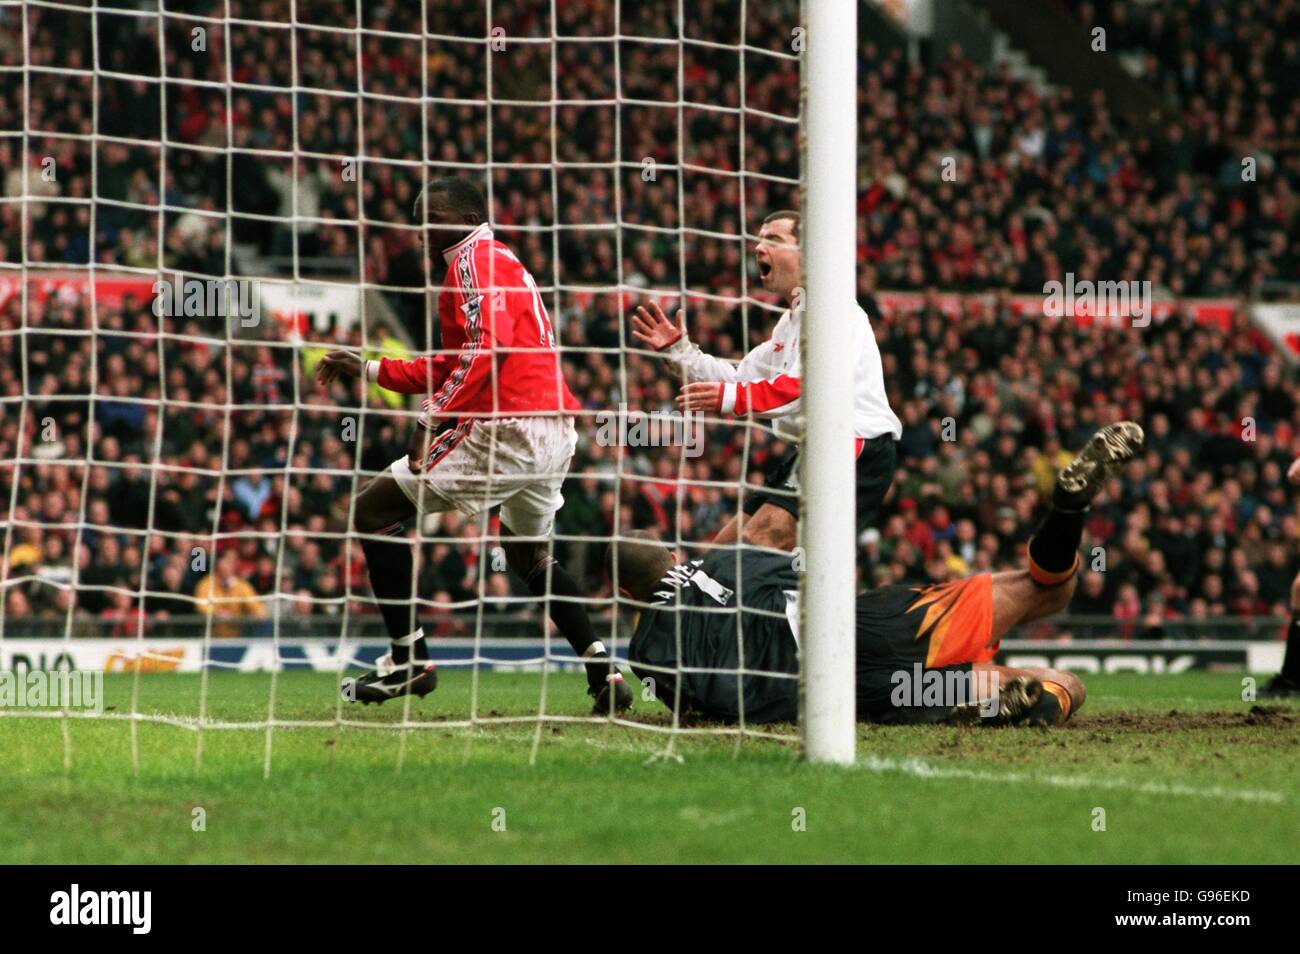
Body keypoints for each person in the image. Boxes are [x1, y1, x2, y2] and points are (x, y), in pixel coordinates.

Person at [315, 177, 630, 712]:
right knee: (527, 552)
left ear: (458, 217)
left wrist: (431, 419)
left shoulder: (470, 260)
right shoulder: (500, 258)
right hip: (554, 428)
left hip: (510, 427)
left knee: (372, 509)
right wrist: (370, 368)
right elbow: (459, 359)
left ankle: (408, 660)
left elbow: (487, 351)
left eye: (427, 216)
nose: (418, 230)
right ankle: (604, 670)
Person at [610, 422, 1145, 726]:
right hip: (870, 621)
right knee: (1048, 590)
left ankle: (1020, 696)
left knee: (1046, 686)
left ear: (626, 592)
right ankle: (1068, 509)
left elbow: (699, 705)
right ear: (673, 555)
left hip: (833, 689)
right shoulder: (730, 557)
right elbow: (804, 569)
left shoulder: (647, 652)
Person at [630, 210, 901, 551]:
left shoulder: (833, 309)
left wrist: (731, 399)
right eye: (759, 239)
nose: (758, 248)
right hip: (813, 448)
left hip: (855, 445)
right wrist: (679, 352)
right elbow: (738, 378)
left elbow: (806, 389)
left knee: (755, 547)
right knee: (722, 553)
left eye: (774, 240)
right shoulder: (787, 326)